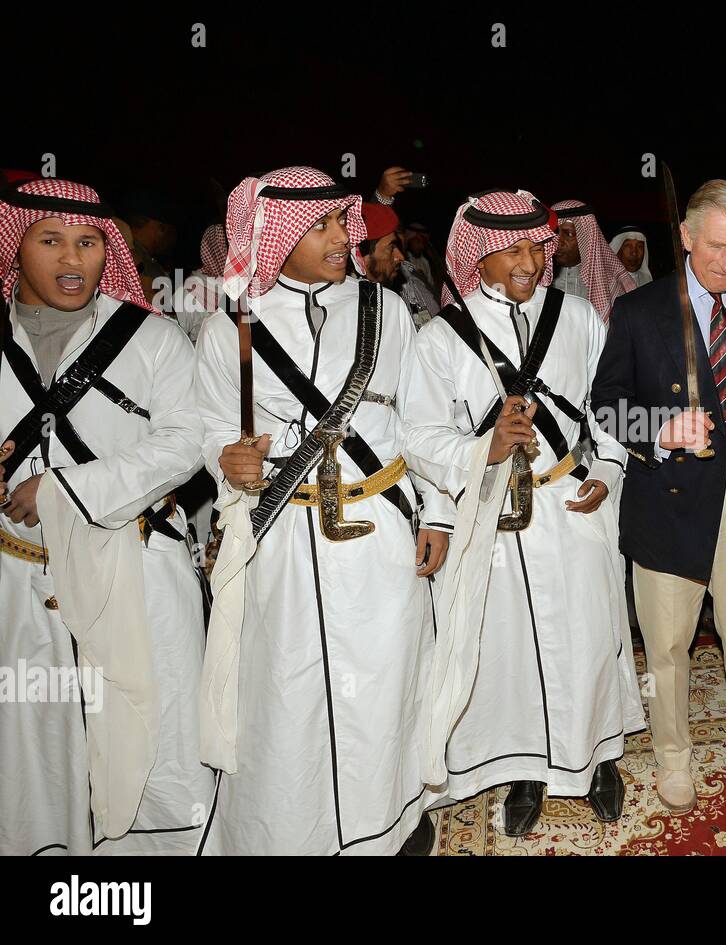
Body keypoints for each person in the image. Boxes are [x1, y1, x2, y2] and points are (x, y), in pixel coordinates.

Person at [191, 166, 439, 855]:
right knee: (285, 691)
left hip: (377, 534)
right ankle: (289, 830)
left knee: (386, 682)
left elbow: (420, 424)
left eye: (342, 221)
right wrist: (227, 460)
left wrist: (438, 514)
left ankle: (393, 815)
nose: (342, 237)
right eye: (323, 225)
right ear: (272, 234)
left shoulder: (385, 310)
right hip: (281, 539)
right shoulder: (227, 329)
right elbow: (210, 429)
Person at [402, 189, 644, 837]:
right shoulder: (441, 339)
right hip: (493, 515)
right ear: (477, 256)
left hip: (572, 504)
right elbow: (420, 437)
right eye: (511, 249)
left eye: (535, 247)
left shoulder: (579, 316)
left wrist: (608, 467)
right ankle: (528, 771)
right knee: (508, 649)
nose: (530, 261)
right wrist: (483, 447)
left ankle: (596, 760)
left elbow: (614, 406)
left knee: (590, 638)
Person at [0, 178, 212, 855]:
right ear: (16, 245)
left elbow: (185, 444)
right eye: (52, 239)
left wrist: (67, 489)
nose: (73, 257)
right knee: (35, 744)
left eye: (89, 242)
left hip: (138, 571)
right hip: (19, 581)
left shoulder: (154, 339)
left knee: (154, 740)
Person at [592, 179, 726, 812]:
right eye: (715, 246)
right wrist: (655, 429)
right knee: (667, 643)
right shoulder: (639, 311)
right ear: (685, 237)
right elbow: (604, 408)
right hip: (667, 500)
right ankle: (673, 754)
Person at [550, 199, 636, 321]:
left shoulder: (609, 284)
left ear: (586, 237)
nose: (558, 242)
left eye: (568, 234)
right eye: (555, 233)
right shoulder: (540, 281)